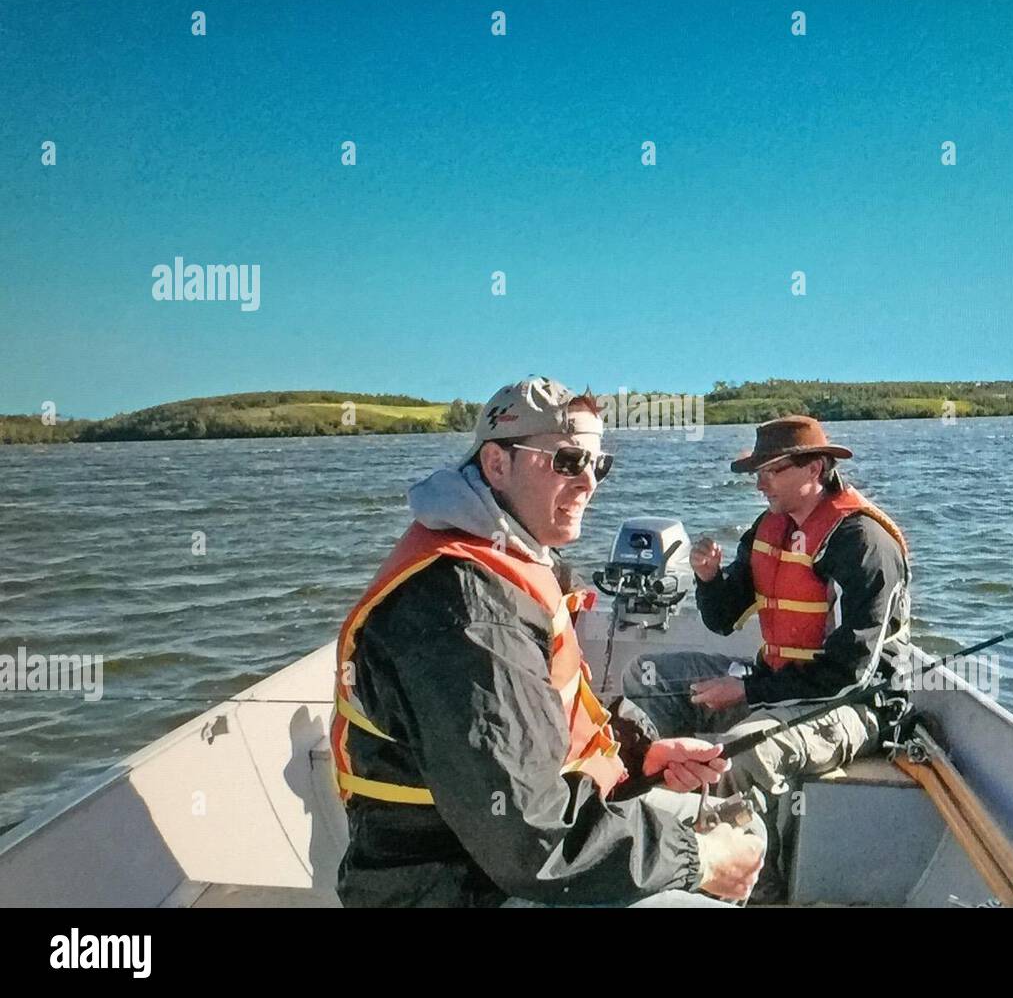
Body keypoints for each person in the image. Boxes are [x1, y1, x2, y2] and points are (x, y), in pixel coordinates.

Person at [331, 376, 764, 907]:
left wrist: (638, 758)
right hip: (450, 886)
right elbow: (531, 840)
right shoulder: (468, 611)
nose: (589, 483)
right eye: (566, 461)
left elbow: (541, 729)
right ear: (496, 464)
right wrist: (698, 861)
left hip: (486, 864)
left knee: (734, 823)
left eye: (597, 464)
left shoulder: (505, 564)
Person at [622, 415, 910, 900]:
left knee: (742, 752)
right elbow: (723, 618)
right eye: (757, 472)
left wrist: (749, 690)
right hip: (776, 680)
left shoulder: (863, 543)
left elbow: (850, 673)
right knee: (649, 679)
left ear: (815, 468)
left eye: (770, 471)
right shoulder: (768, 529)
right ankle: (645, 822)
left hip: (857, 706)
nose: (759, 484)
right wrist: (710, 579)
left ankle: (755, 894)